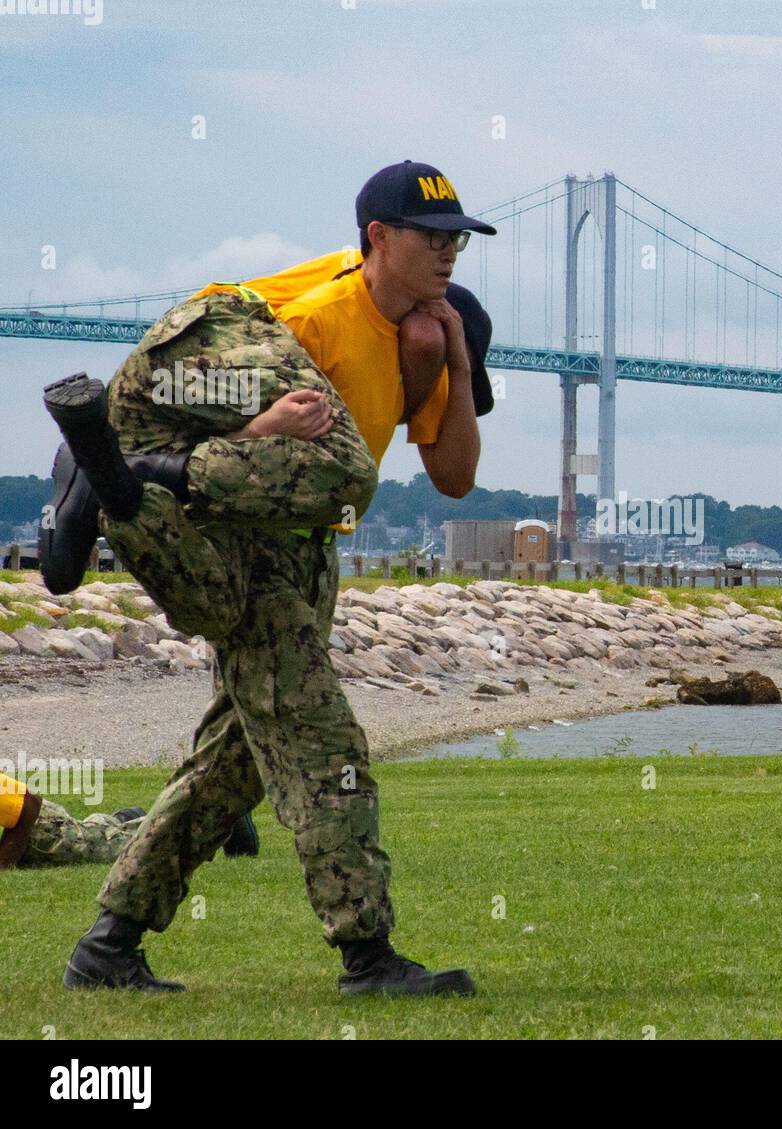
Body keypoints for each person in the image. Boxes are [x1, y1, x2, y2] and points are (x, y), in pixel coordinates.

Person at [48, 161, 495, 994]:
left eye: (457, 239)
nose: (448, 252)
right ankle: (368, 957)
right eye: (432, 237)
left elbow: (457, 477)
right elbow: (190, 387)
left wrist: (461, 362)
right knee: (326, 746)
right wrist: (197, 449)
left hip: (289, 536)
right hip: (195, 359)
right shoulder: (316, 316)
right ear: (377, 239)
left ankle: (105, 949)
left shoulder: (429, 335)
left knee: (233, 764)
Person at [0, 772, 257, 869]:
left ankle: (216, 812)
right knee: (92, 835)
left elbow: (28, 803)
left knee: (147, 848)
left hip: (44, 837)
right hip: (45, 829)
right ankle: (121, 821)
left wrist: (5, 863)